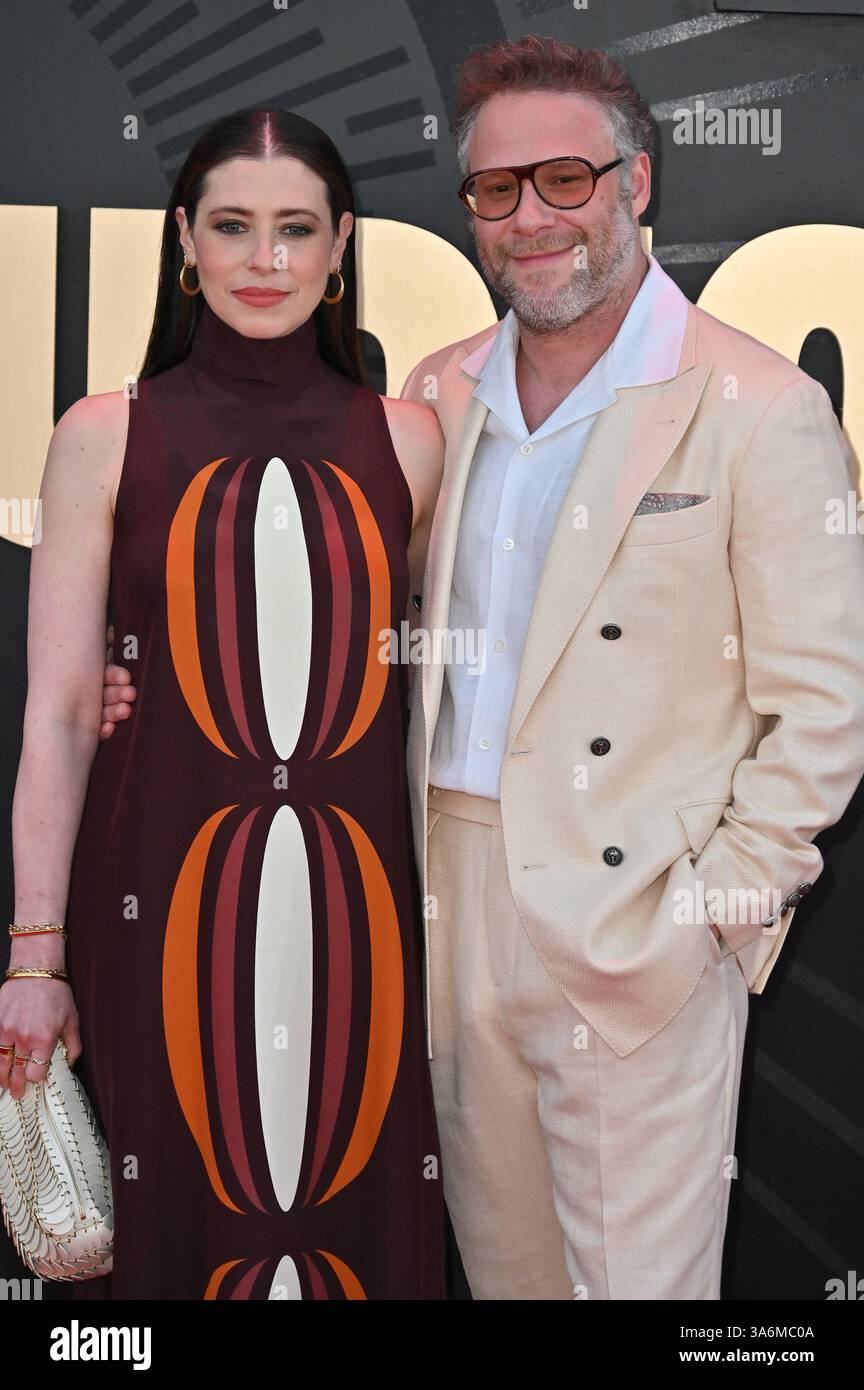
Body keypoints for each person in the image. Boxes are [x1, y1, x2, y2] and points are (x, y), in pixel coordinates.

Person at [101, 40, 864, 1301]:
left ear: (639, 184)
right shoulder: (438, 391)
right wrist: (144, 687)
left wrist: (709, 917)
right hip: (441, 894)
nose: (533, 219)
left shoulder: (757, 404)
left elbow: (824, 715)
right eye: (498, 191)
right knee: (504, 1282)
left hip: (634, 917)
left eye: (566, 178)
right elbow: (326, 619)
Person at [4, 107, 446, 1300]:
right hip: (157, 903)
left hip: (361, 913)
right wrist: (32, 954)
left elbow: (450, 681)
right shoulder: (104, 434)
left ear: (342, 244)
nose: (267, 260)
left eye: (297, 229)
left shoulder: (414, 439)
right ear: (185, 244)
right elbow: (54, 712)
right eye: (235, 228)